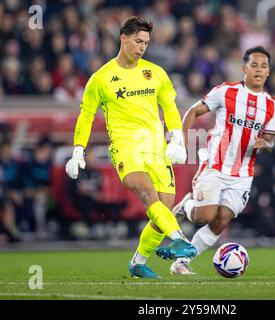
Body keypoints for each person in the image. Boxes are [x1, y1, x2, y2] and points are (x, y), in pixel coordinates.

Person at [65, 16, 197, 279]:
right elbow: (86, 115)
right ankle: (180, 239)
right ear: (123, 38)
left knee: (163, 210)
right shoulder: (101, 78)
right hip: (125, 148)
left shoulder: (156, 73)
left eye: (146, 43)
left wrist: (178, 138)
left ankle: (138, 262)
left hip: (156, 148)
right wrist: (78, 149)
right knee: (147, 192)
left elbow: (170, 107)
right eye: (138, 41)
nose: (142, 47)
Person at [170, 46, 275, 274]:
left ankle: (181, 263)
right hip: (215, 164)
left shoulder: (272, 106)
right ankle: (187, 205)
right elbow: (193, 111)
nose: (259, 69)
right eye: (254, 65)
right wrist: (180, 141)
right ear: (244, 69)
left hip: (243, 173)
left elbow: (269, 143)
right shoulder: (225, 91)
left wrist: (265, 145)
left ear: (268, 72)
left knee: (221, 221)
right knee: (204, 216)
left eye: (263, 66)